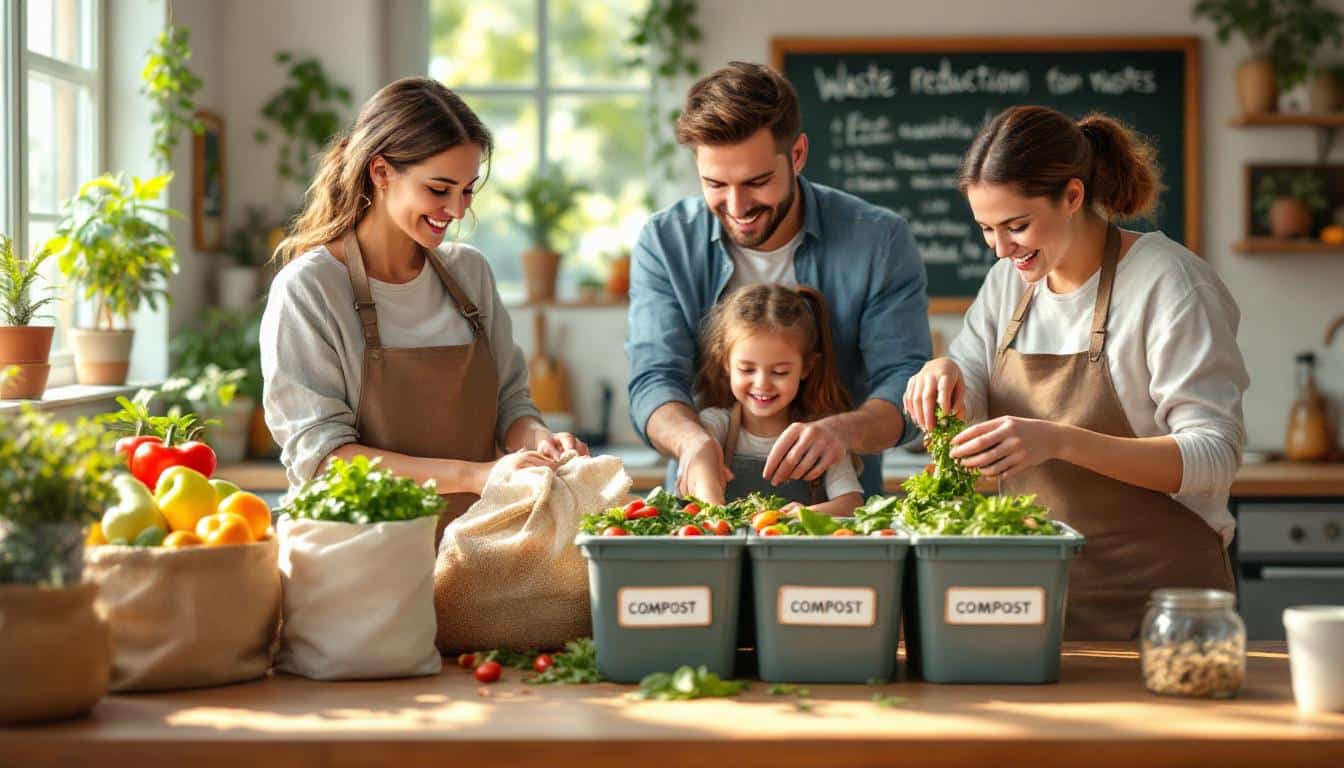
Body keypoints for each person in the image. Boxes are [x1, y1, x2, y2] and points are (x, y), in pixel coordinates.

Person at [903, 105, 1249, 640]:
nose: (1001, 249)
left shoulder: (1169, 283)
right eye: (987, 230)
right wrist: (944, 373)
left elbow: (1213, 456)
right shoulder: (1007, 284)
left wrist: (1061, 441)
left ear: (1072, 196)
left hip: (1160, 611)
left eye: (1017, 226)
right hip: (1036, 604)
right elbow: (969, 378)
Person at [261, 77, 587, 534]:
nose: (456, 210)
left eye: (468, 189)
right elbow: (323, 459)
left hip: (472, 553)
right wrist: (476, 476)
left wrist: (538, 440)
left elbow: (510, 403)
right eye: (439, 189)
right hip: (357, 558)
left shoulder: (470, 275)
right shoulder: (310, 288)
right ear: (380, 173)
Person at [627, 61, 931, 505]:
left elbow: (903, 382)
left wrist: (839, 432)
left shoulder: (879, 239)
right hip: (702, 516)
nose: (737, 206)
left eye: (758, 181)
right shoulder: (665, 241)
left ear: (798, 154)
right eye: (715, 183)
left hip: (836, 528)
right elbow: (654, 377)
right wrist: (693, 442)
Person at [695, 283, 863, 515]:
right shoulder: (716, 425)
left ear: (806, 367)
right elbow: (699, 464)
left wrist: (801, 515)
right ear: (726, 364)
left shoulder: (821, 440)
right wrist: (715, 509)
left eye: (780, 372)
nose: (762, 383)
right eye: (746, 369)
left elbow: (852, 505)